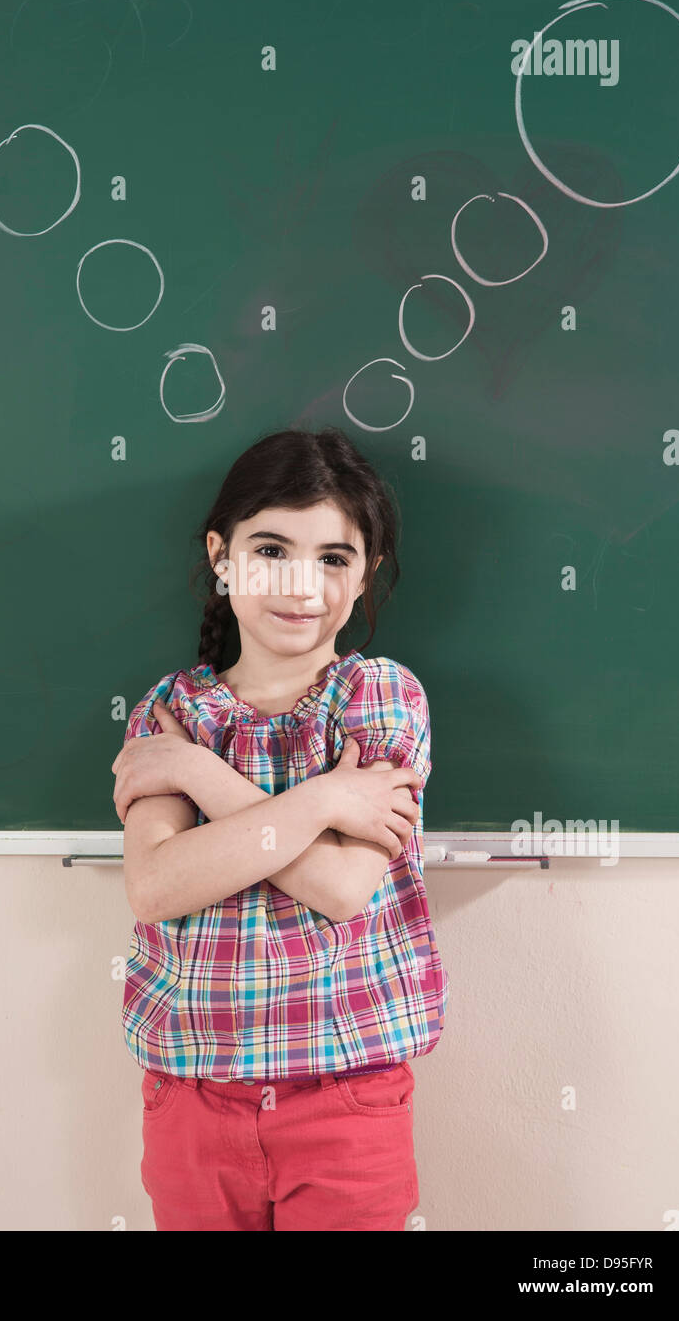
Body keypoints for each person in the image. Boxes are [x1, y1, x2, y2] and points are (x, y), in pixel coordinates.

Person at [110, 425, 448, 1230]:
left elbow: (338, 886)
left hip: (343, 1097)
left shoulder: (383, 697)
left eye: (334, 557)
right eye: (270, 550)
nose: (303, 583)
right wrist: (324, 802)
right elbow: (156, 886)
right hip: (194, 1097)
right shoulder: (173, 712)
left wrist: (197, 775)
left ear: (366, 573)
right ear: (221, 556)